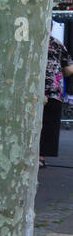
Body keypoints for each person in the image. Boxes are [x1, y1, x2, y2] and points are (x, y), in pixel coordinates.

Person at [41, 36, 73, 167]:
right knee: (49, 124)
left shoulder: (27, 41)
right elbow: (69, 69)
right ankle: (41, 156)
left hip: (30, 90)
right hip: (53, 90)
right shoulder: (57, 44)